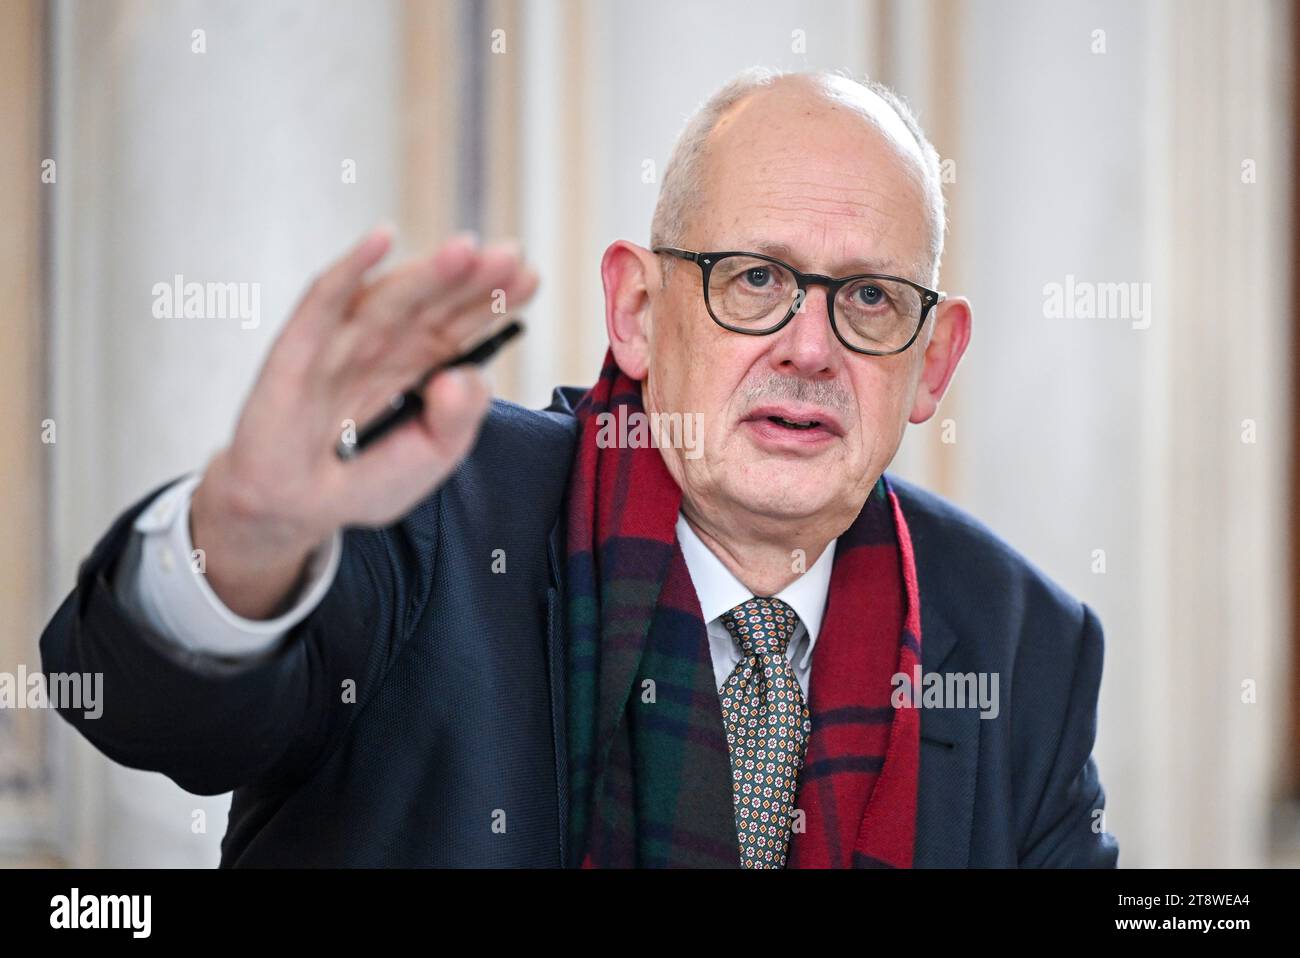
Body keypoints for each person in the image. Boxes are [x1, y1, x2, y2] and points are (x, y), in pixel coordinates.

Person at [40, 66, 1119, 868]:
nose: (810, 346)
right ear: (638, 312)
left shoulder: (1023, 641)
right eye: (754, 279)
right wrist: (250, 533)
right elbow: (149, 711)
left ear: (932, 362)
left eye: (871, 297)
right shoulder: (435, 506)